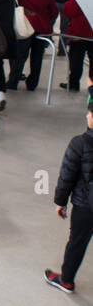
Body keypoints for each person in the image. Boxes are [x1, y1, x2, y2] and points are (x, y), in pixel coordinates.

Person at [46, 97, 93, 293]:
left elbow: (67, 176)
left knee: (77, 243)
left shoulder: (79, 143)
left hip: (85, 206)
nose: (87, 115)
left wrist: (60, 202)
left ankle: (66, 280)